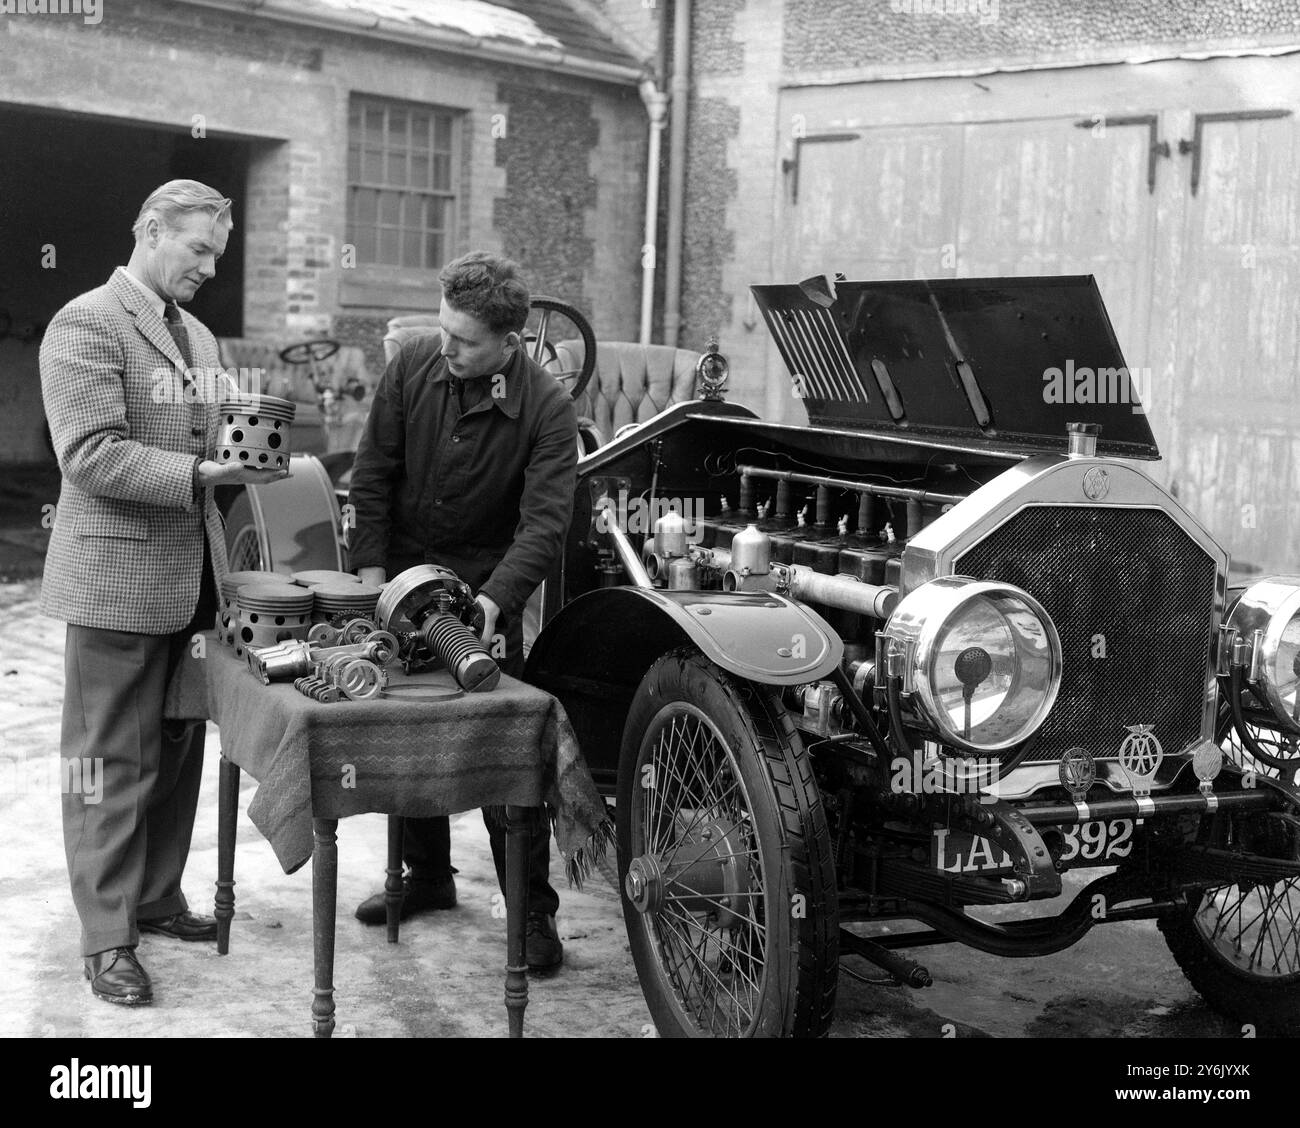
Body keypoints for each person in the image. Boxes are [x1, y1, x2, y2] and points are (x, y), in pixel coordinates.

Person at [41, 180, 288, 1005]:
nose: (211, 268)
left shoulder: (205, 338)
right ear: (151, 230)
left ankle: (154, 896)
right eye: (199, 250)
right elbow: (91, 453)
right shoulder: (86, 322)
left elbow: (217, 440)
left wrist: (244, 454)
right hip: (114, 582)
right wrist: (200, 472)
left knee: (178, 750)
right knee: (104, 762)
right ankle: (107, 938)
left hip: (194, 584)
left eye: (218, 254)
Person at [347, 251, 578, 969]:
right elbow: (372, 478)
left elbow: (543, 525)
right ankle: (428, 879)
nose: (446, 347)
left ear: (509, 343)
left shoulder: (546, 406)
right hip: (401, 585)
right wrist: (376, 580)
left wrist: (493, 600)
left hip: (483, 595)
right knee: (405, 735)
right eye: (443, 329)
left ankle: (532, 916)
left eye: (465, 340)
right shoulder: (413, 365)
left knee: (504, 751)